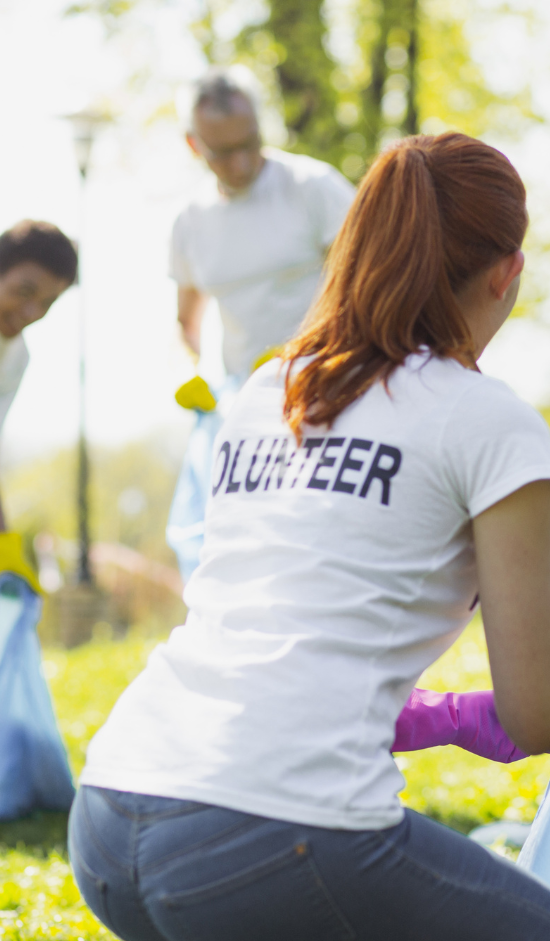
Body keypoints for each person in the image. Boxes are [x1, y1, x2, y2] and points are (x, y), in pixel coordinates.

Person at [69, 132, 550, 941]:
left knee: (262, 793)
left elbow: (282, 623)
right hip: (261, 848)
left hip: (111, 817)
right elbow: (540, 711)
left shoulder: (270, 388)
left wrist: (420, 714)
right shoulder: (488, 420)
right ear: (507, 273)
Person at [167, 68, 356, 578]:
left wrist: (315, 349)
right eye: (222, 152)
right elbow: (187, 321)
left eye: (250, 143)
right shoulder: (191, 222)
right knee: (208, 527)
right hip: (243, 396)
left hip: (329, 384)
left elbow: (366, 281)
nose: (242, 161)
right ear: (193, 145)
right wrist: (189, 371)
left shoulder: (311, 187)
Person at [0, 221, 78, 584]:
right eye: (24, 292)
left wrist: (3, 546)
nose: (32, 312)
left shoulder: (14, 358)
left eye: (47, 302)